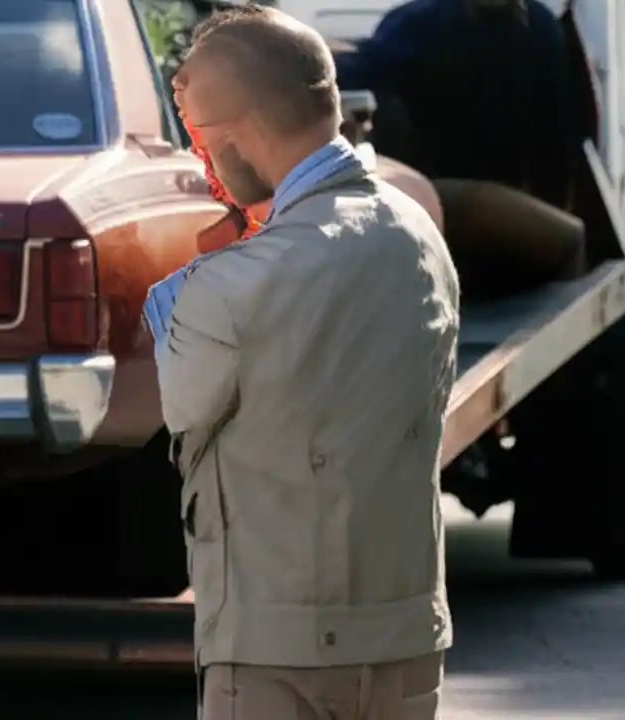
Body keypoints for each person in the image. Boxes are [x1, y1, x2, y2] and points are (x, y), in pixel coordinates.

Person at [149, 6, 460, 718]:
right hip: (407, 633)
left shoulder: (226, 286)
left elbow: (184, 408)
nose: (202, 164)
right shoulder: (420, 234)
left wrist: (195, 278)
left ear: (238, 137)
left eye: (200, 142)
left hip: (275, 649)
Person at [332, 0, 582, 209]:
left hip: (449, 196)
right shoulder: (543, 26)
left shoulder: (421, 24)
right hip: (522, 201)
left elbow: (360, 68)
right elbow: (564, 140)